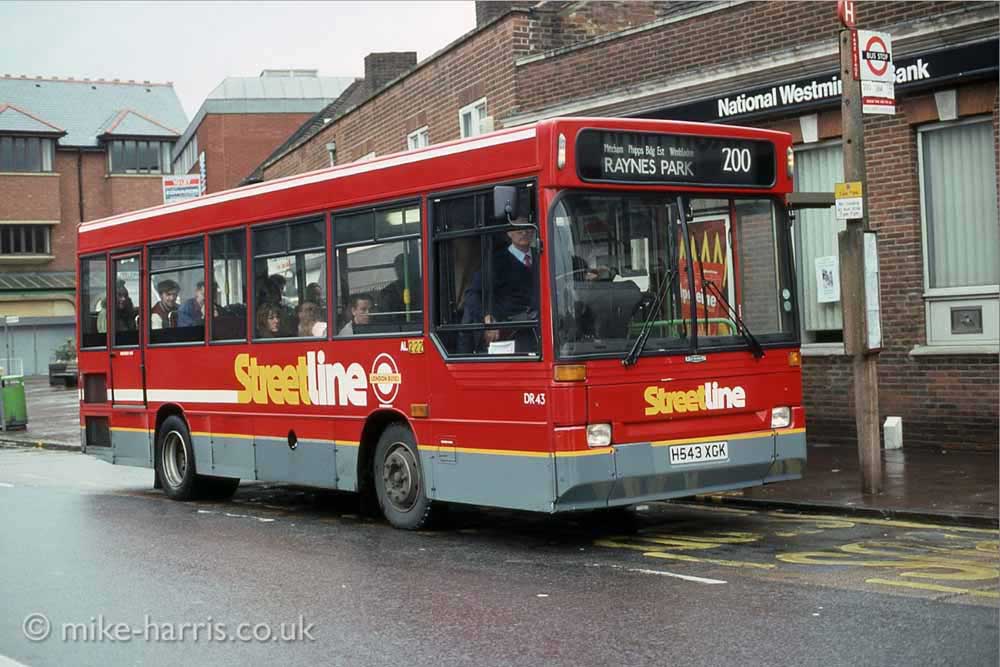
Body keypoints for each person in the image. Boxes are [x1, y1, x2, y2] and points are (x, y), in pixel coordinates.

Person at [462, 223, 538, 353]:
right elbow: (471, 294)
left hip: (542, 332)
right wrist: (487, 318)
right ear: (509, 232)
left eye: (527, 226)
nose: (524, 232)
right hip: (511, 336)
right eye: (518, 227)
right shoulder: (496, 262)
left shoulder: (541, 256)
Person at [379, 253, 421, 324]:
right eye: (398, 268)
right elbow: (386, 316)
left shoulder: (424, 284)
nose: (399, 271)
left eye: (403, 267)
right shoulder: (388, 291)